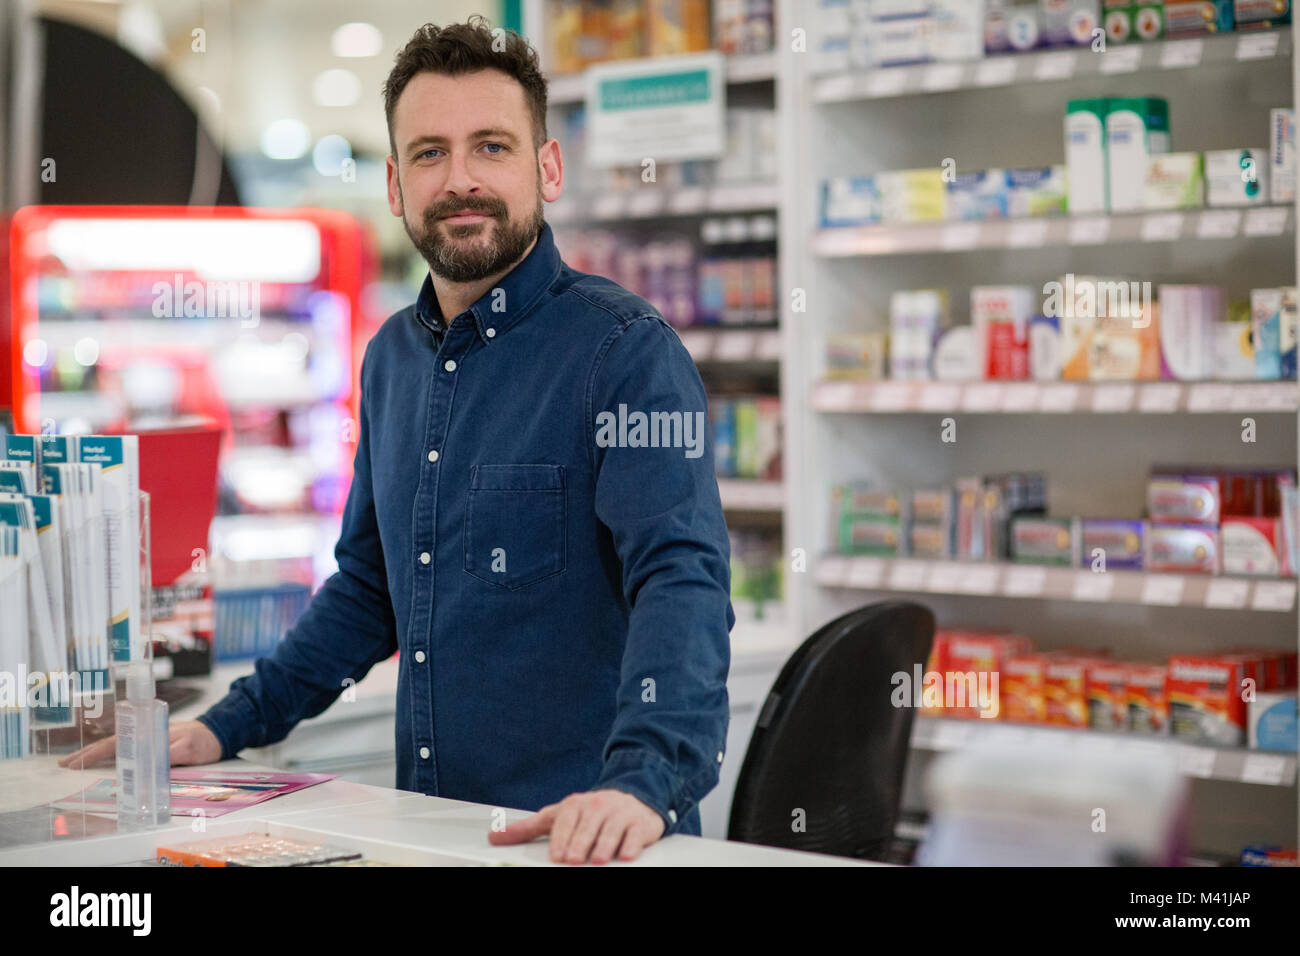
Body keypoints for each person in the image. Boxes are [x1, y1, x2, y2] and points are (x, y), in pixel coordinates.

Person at [62, 16, 734, 865]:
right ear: (394, 184)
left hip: (583, 836)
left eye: (492, 146)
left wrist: (645, 779)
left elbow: (684, 579)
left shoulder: (625, 352)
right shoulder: (390, 360)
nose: (461, 180)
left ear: (547, 167)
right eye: (429, 153)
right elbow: (369, 588)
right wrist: (226, 724)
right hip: (432, 837)